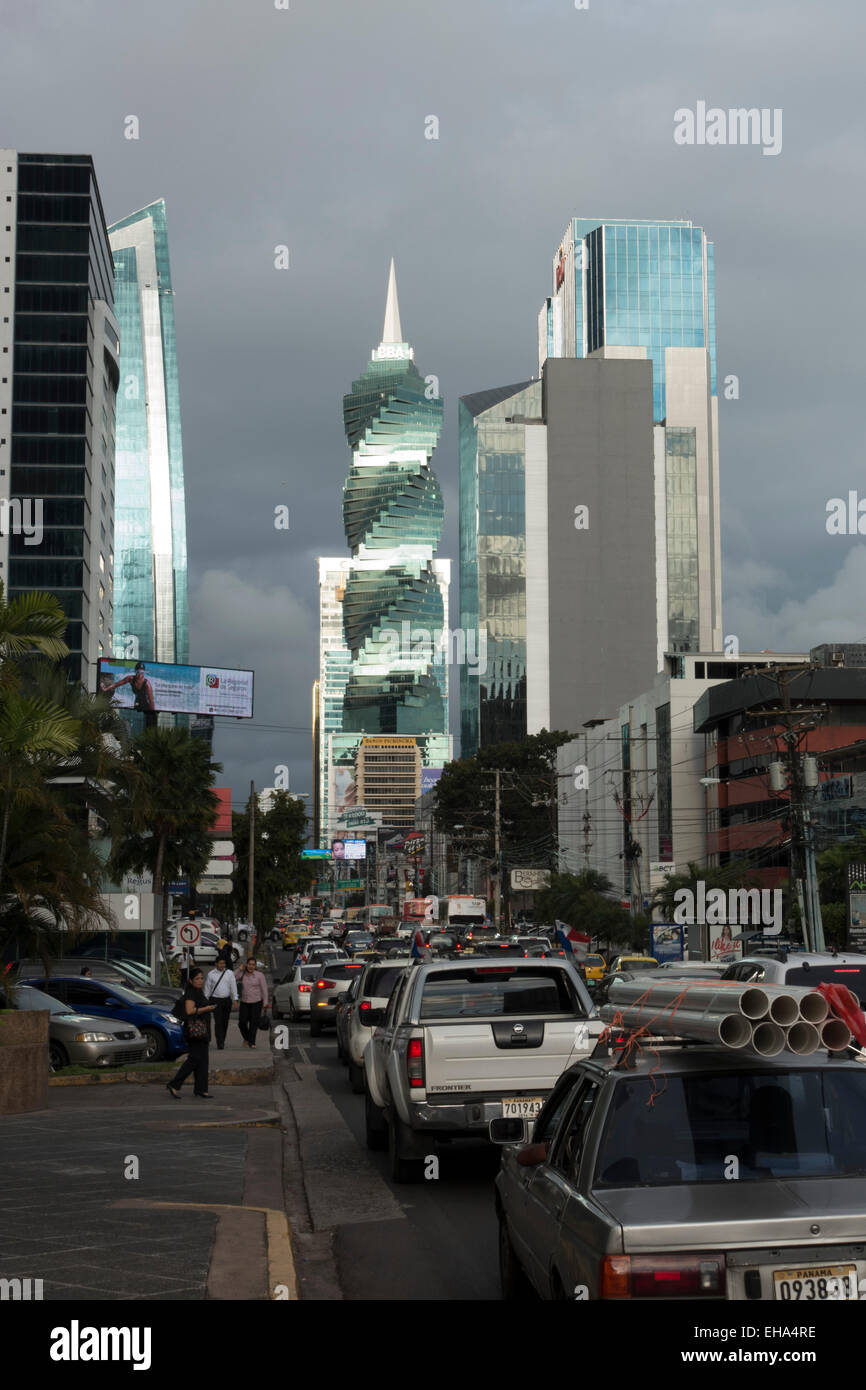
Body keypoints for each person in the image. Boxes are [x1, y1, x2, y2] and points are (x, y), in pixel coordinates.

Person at [166, 967, 216, 1098]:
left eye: (201, 978)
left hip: (202, 1031)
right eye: (197, 979)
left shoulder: (199, 992)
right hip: (195, 1031)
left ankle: (201, 1089)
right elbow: (189, 1011)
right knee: (194, 1059)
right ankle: (174, 1084)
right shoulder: (191, 993)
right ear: (191, 980)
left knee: (203, 1060)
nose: (200, 981)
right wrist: (206, 1008)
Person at [204, 957, 238, 1049]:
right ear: (216, 964)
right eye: (220, 963)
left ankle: (222, 1039)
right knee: (218, 1022)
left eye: (223, 963)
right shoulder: (211, 974)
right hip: (215, 1000)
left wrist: (235, 999)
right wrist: (205, 1001)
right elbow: (207, 989)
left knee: (225, 1022)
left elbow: (233, 987)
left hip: (226, 1000)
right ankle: (220, 1042)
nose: (222, 965)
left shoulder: (229, 973)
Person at [235, 956, 269, 1048]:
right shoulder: (242, 974)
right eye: (249, 964)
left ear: (255, 966)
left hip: (256, 1002)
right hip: (244, 1002)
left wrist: (265, 1002)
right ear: (246, 964)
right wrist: (239, 968)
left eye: (253, 965)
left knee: (254, 1023)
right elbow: (232, 978)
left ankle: (252, 1042)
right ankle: (247, 1038)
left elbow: (264, 989)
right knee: (241, 1023)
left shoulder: (259, 975)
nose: (251, 966)